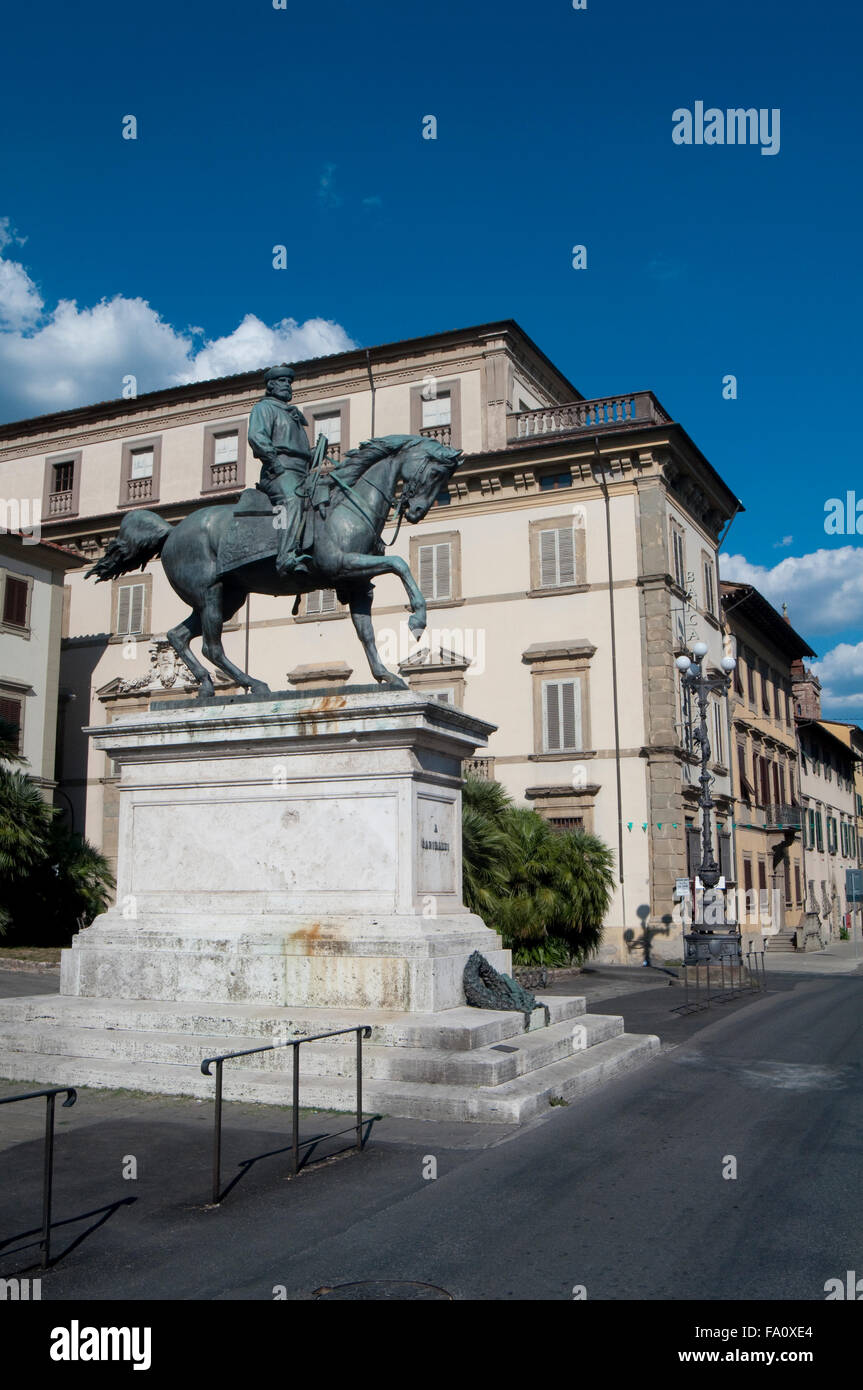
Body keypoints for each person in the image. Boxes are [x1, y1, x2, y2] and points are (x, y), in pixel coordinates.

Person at [247, 363, 314, 576]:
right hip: (277, 472)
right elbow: (256, 437)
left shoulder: (293, 415)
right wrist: (275, 463)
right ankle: (286, 556)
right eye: (282, 381)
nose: (287, 385)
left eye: (289, 382)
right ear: (271, 386)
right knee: (292, 500)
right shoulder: (264, 408)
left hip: (302, 472)